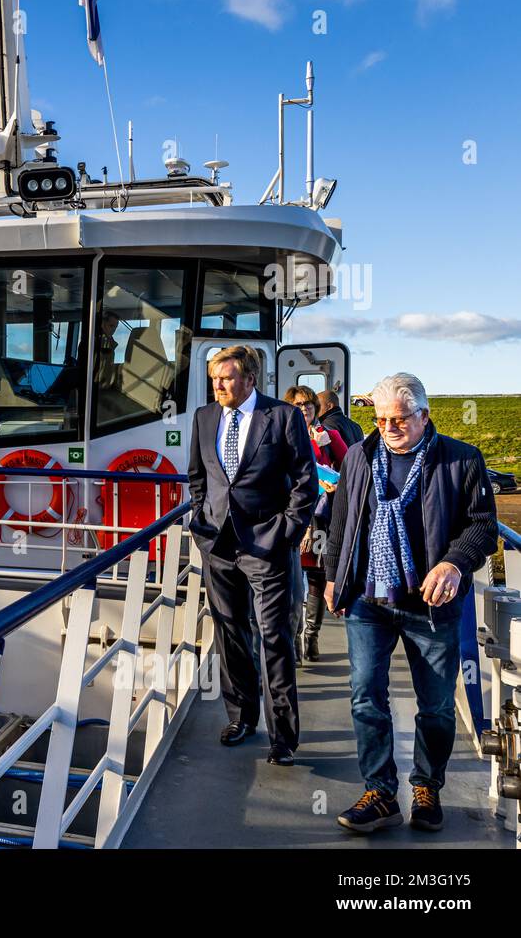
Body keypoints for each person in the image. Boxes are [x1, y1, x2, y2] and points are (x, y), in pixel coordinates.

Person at [324, 372, 497, 833]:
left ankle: (426, 786)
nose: (389, 428)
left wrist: (454, 563)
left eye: (399, 419)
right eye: (381, 420)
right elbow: (341, 521)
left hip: (431, 605)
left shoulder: (461, 460)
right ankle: (380, 792)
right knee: (365, 696)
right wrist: (331, 577)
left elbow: (482, 527)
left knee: (436, 706)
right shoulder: (361, 456)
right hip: (368, 600)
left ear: (425, 416)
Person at [188, 346, 319, 765]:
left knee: (274, 637)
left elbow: (305, 482)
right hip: (218, 545)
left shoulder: (282, 417)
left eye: (225, 379)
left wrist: (286, 531)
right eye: (214, 380)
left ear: (249, 379)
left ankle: (283, 737)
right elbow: (198, 476)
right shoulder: (204, 417)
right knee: (230, 633)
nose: (218, 386)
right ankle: (241, 716)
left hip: (267, 544)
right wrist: (199, 519)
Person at [284, 384, 347, 663]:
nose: (305, 408)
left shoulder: (330, 435)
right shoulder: (280, 436)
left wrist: (335, 484)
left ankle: (311, 637)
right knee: (292, 582)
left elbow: (351, 469)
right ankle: (295, 640)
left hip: (321, 519)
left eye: (309, 404)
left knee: (317, 582)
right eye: (298, 404)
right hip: (292, 518)